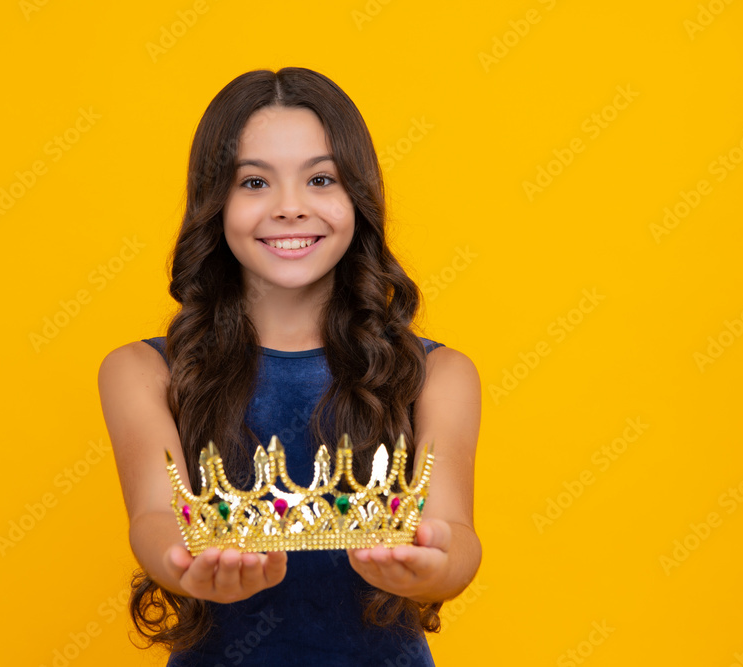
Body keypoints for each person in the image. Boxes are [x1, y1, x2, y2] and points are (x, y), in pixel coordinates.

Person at [97, 66, 482, 666]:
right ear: (213, 201)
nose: (290, 208)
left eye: (321, 178)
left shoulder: (441, 376)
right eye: (254, 182)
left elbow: (457, 537)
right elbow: (152, 514)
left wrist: (433, 564)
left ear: (359, 196)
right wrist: (186, 564)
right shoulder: (140, 373)